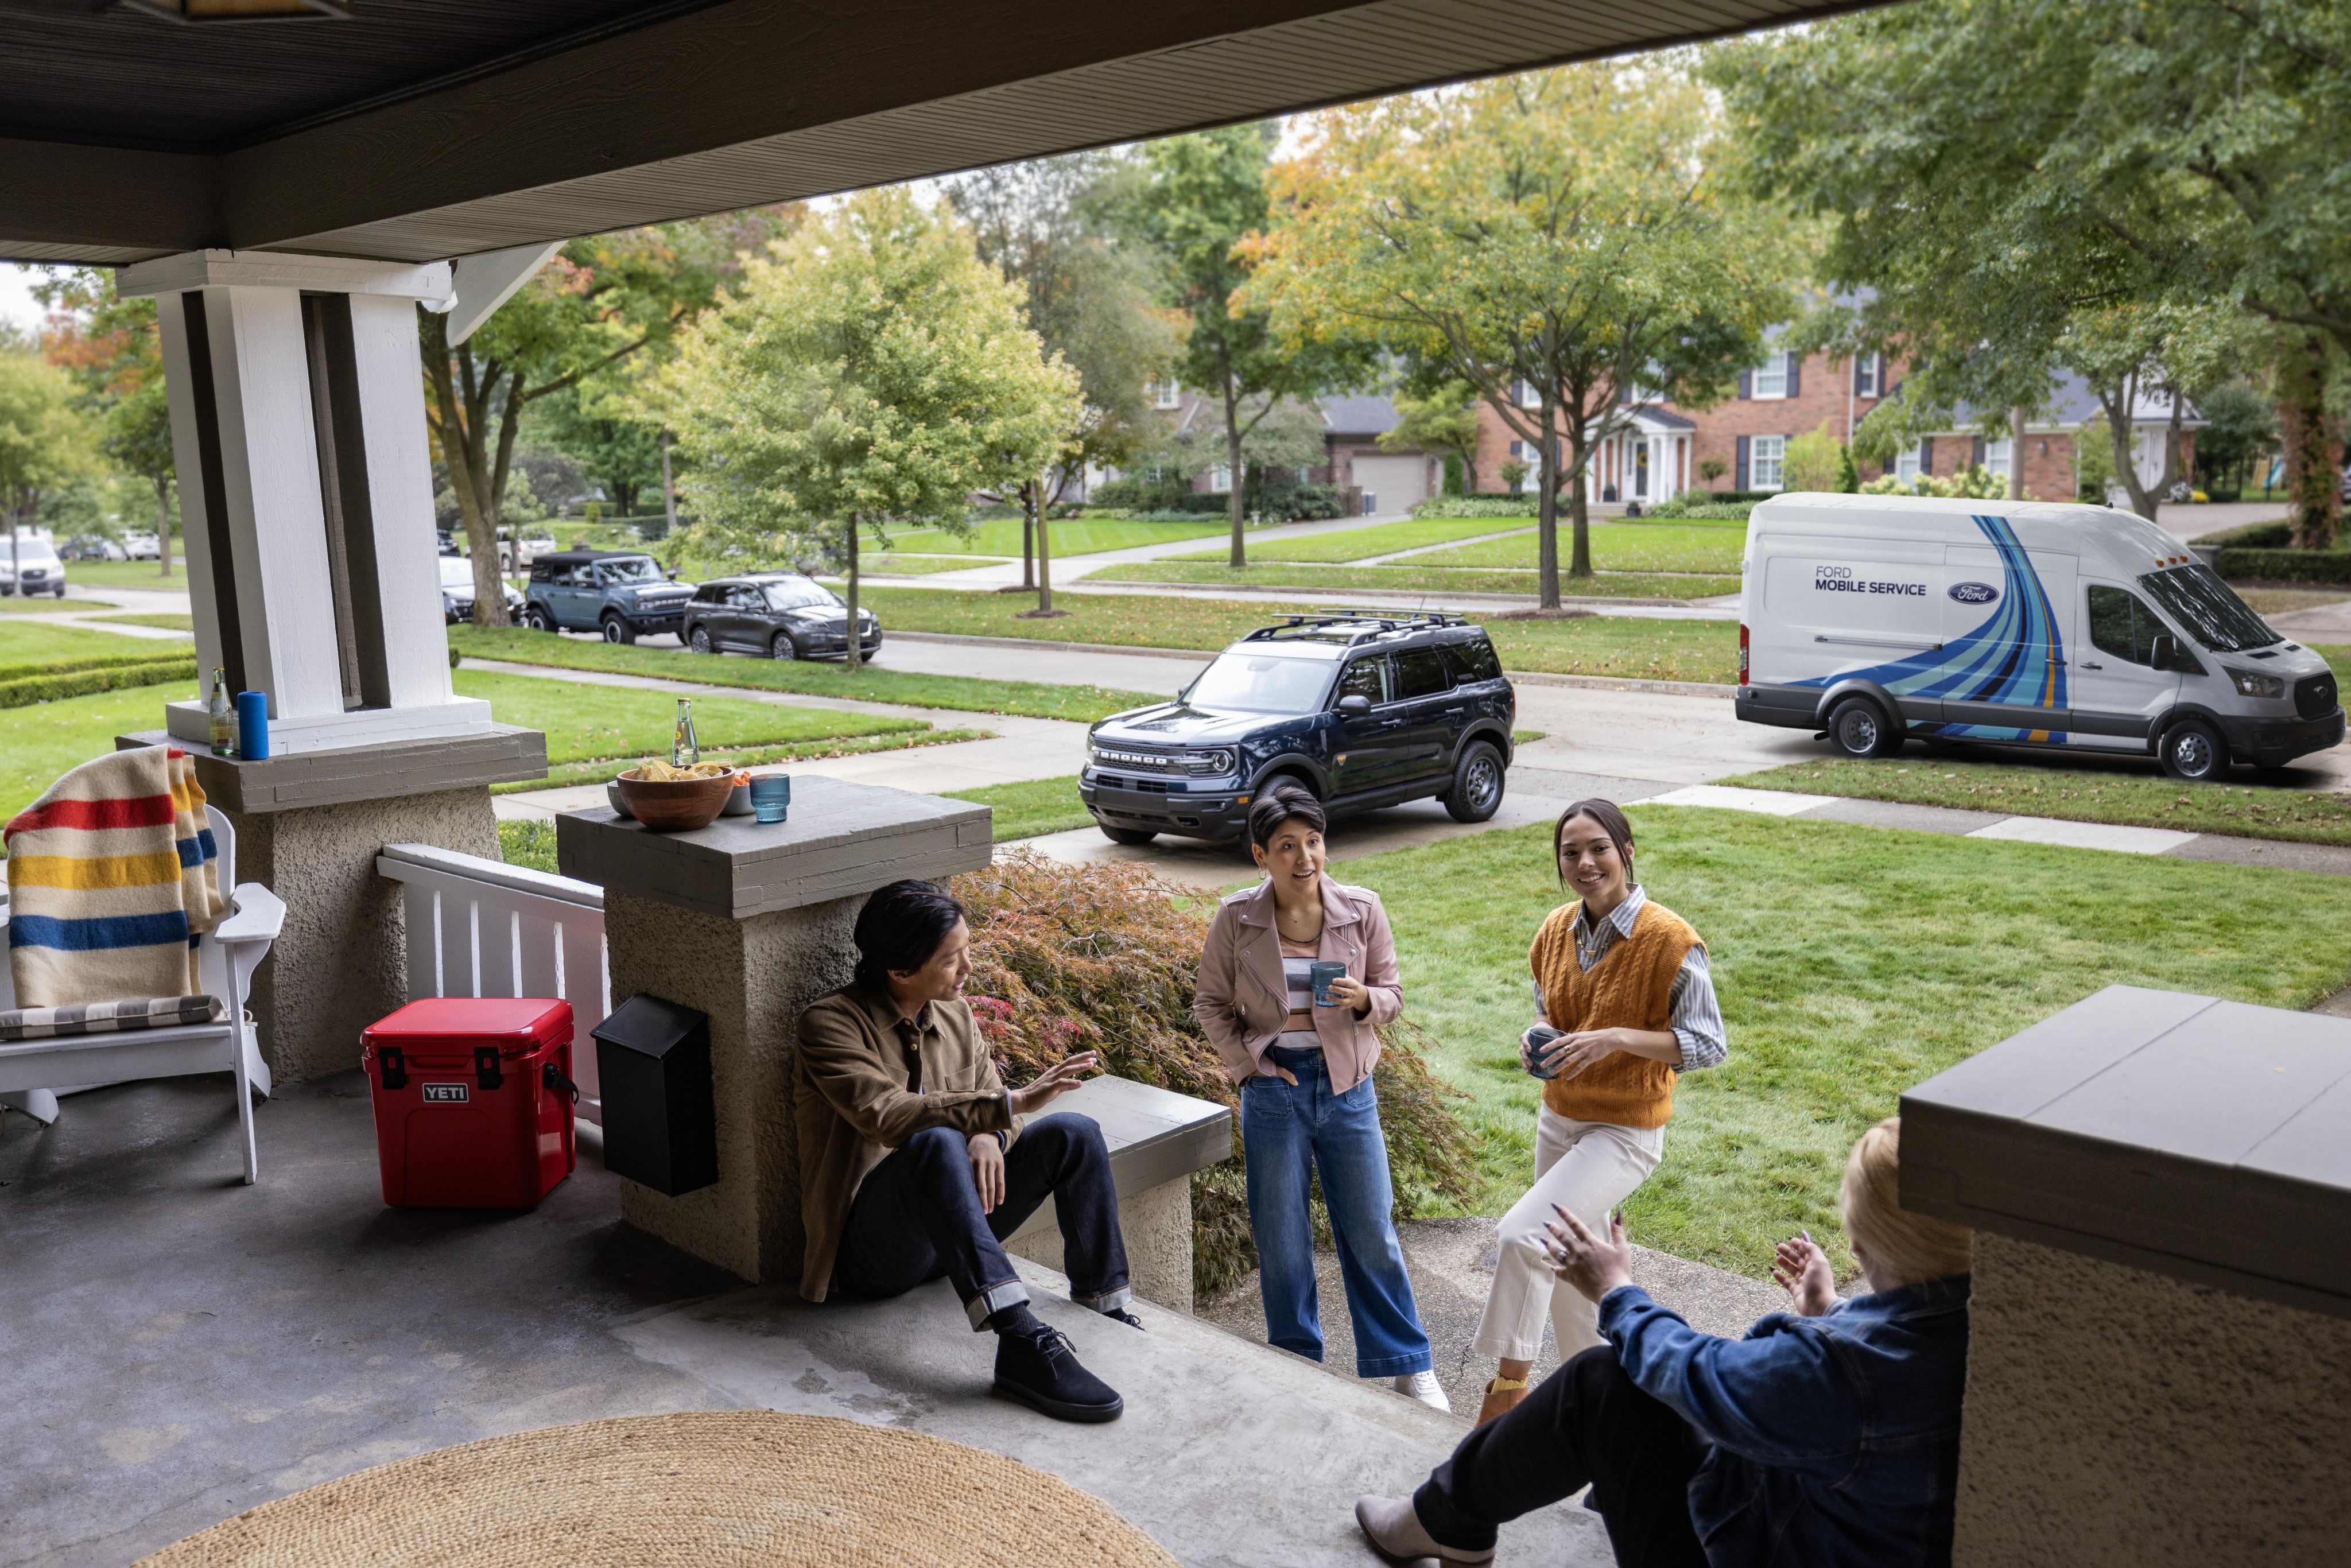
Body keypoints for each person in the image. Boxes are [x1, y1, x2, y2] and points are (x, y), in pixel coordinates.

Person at [1354, 1116, 1974, 1567]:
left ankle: (1443, 1516)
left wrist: (1615, 1288)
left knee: (1600, 1386)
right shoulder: (1979, 1326)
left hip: (1775, 1542)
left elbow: (1700, 1374)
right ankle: (1448, 1514)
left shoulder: (1847, 1369)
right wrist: (1826, 1311)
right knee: (1622, 1387)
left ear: (1861, 1244)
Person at [794, 878, 1138, 1423]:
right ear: (900, 970)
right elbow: (889, 1116)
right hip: (880, 1253)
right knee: (933, 1141)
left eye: (968, 951)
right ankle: (1020, 1339)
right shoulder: (829, 1024)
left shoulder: (952, 1013)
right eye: (953, 959)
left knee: (1074, 1132)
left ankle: (1106, 1306)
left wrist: (990, 1133)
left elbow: (990, 1113)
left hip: (953, 1231)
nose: (968, 969)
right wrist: (1004, 1107)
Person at [1468, 798, 1728, 1426]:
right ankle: (1600, 1410)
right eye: (1570, 852)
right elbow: (1548, 1009)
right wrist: (1536, 1038)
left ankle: (1507, 1390)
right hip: (1559, 1116)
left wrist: (1616, 1037)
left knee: (1524, 1236)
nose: (1585, 862)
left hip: (1625, 1129)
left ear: (1626, 850)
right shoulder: (1555, 929)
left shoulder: (1670, 940)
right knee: (1565, 1273)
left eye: (1598, 848)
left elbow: (1707, 1043)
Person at [1194, 785, 1449, 1412]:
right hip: (1274, 1090)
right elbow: (1209, 1002)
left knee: (1369, 1229)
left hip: (1348, 1089)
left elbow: (1392, 992)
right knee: (1281, 1239)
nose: (1304, 856)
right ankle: (1295, 1360)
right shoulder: (1236, 918)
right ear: (1261, 854)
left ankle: (1405, 1362)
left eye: (1312, 841)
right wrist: (1249, 1065)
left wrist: (1366, 999)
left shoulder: (1362, 910)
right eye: (1286, 845)